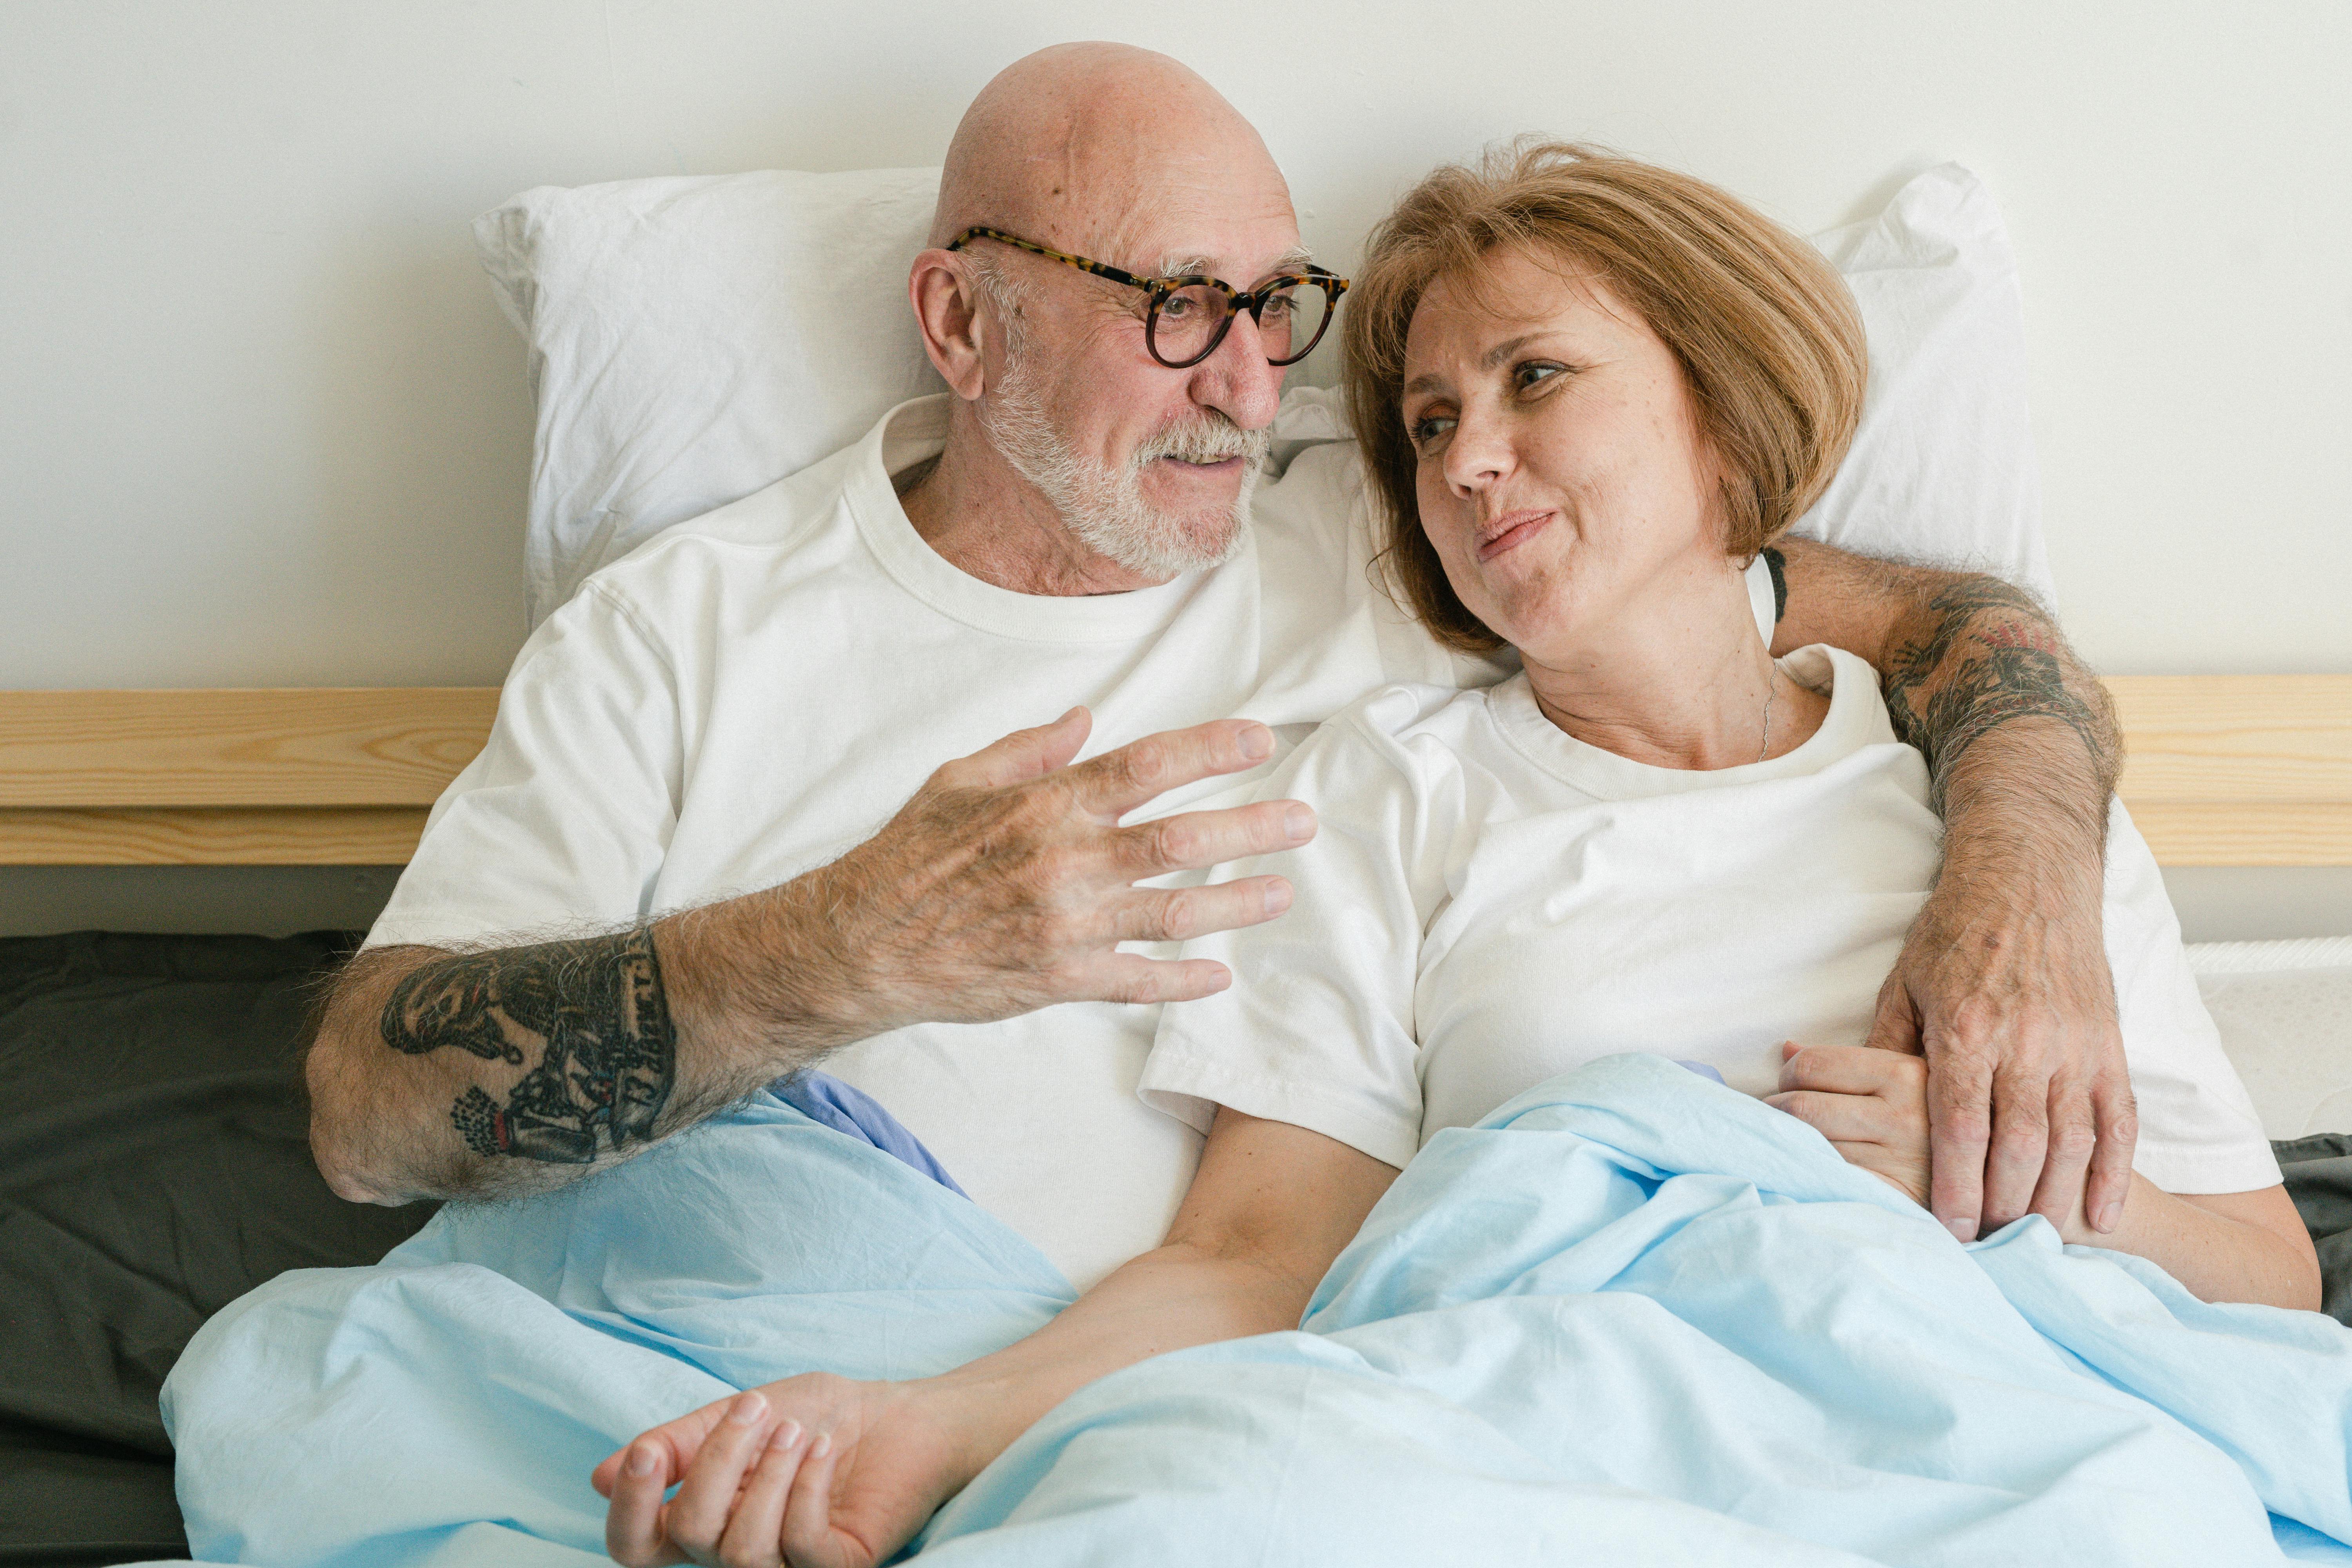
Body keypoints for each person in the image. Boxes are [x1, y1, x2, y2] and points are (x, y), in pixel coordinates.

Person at [593, 142, 2316, 1568]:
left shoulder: (2002, 822)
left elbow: (2271, 1274)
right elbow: (1254, 1264)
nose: (1471, 461)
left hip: (1972, 1432)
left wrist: (2002, 1180)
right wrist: (927, 1426)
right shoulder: (1383, 794)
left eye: (1534, 380)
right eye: (1428, 425)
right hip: (1536, 1446)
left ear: (1720, 414)